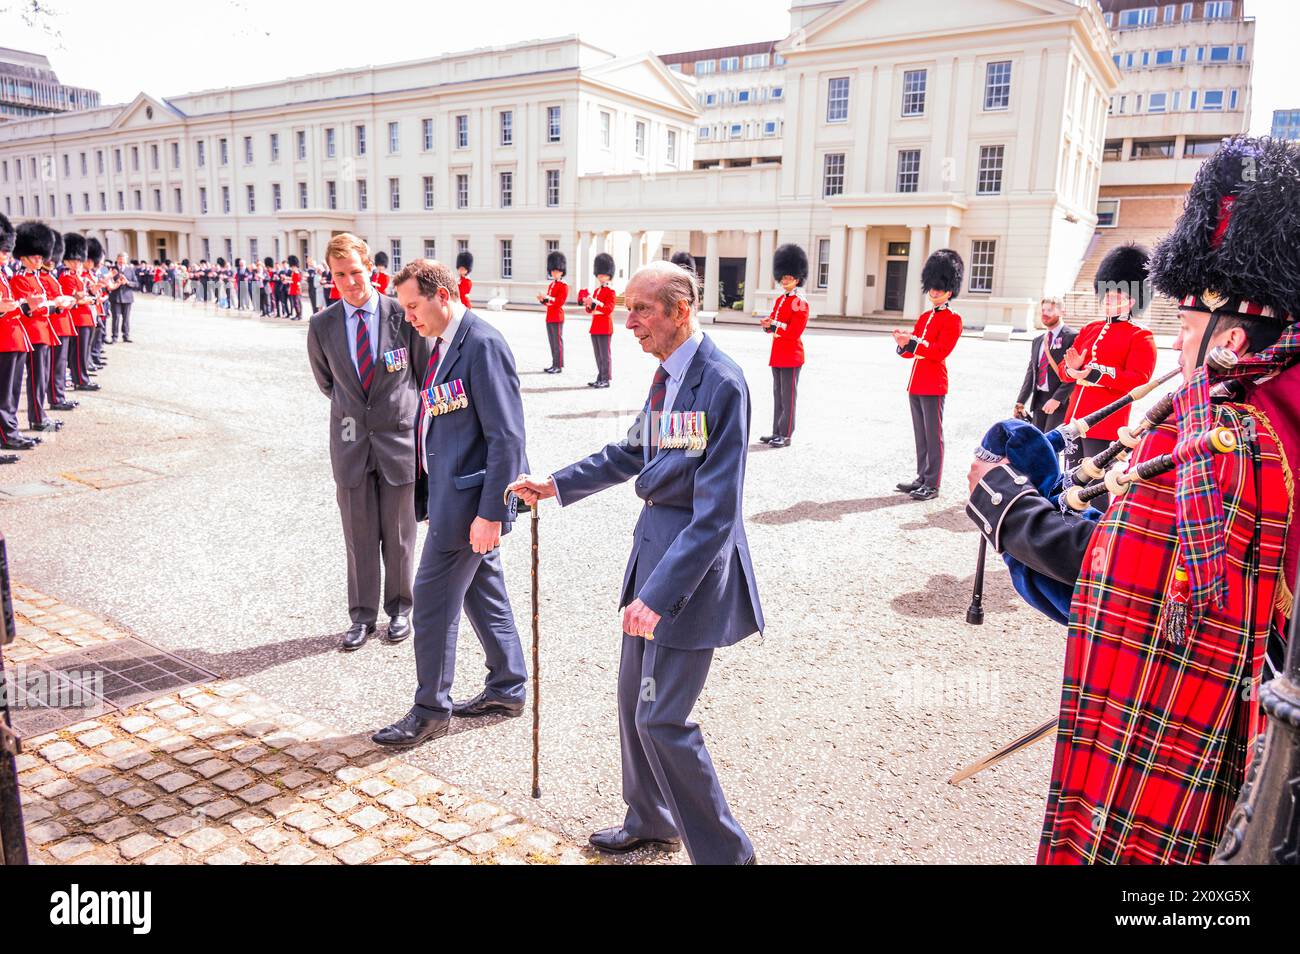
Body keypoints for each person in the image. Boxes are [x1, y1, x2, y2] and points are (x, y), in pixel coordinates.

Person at [965, 135, 1300, 865]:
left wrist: (1005, 506)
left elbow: (1120, 583)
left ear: (1231, 338)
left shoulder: (1225, 434)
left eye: (1185, 329)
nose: (1177, 346)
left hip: (1199, 731)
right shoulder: (1280, 412)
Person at [509, 259, 763, 865]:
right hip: (650, 563)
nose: (628, 322)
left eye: (641, 309)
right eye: (627, 308)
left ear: (681, 310)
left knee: (662, 718)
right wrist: (555, 484)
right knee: (633, 702)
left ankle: (728, 853)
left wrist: (658, 597)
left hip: (689, 578)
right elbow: (631, 452)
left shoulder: (721, 383)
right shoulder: (668, 379)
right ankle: (651, 819)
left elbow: (716, 515)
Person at [371, 258, 531, 747]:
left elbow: (507, 437)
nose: (410, 317)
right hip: (449, 496)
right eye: (404, 309)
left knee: (433, 605)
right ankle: (507, 685)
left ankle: (429, 709)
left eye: (415, 306)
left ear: (444, 295)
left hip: (468, 508)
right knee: (485, 593)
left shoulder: (482, 344)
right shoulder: (439, 344)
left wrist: (489, 514)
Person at [306, 234, 426, 651]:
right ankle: (361, 616)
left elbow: (422, 373)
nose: (349, 282)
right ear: (331, 276)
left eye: (355, 272)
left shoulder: (402, 315)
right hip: (351, 443)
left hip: (398, 442)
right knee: (358, 537)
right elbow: (328, 384)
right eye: (340, 275)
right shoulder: (322, 325)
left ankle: (400, 609)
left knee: (399, 533)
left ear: (371, 270)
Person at [1059, 245, 1158, 510]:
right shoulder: (1091, 329)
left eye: (1118, 295)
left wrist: (1092, 373)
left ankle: (1095, 535)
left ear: (1133, 299)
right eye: (1107, 293)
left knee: (1096, 488)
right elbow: (1064, 371)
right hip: (1074, 419)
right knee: (1069, 480)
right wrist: (1072, 370)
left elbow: (1139, 378)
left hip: (1104, 423)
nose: (1110, 299)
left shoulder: (1140, 336)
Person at [893, 249, 964, 500]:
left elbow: (939, 351)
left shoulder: (953, 320)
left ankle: (932, 484)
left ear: (949, 289)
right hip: (916, 382)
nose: (933, 291)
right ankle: (921, 477)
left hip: (934, 383)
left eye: (939, 287)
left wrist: (912, 344)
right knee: (920, 434)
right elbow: (911, 353)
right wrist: (903, 344)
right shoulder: (924, 317)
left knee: (933, 436)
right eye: (931, 287)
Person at [10, 223, 67, 434]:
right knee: (35, 378)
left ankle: (40, 414)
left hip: (43, 332)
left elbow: (45, 304)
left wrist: (55, 305)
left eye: (40, 257)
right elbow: (32, 310)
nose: (39, 260)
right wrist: (55, 305)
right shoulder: (19, 279)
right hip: (32, 333)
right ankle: (36, 417)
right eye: (35, 256)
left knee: (42, 377)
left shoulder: (37, 279)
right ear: (23, 257)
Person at [761, 243, 810, 448]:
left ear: (797, 279)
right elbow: (775, 322)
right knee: (778, 394)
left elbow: (794, 332)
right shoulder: (781, 300)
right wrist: (767, 325)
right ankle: (776, 431)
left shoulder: (800, 302)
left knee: (788, 397)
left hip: (791, 355)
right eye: (782, 278)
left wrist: (774, 326)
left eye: (788, 279)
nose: (784, 282)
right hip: (778, 354)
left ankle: (786, 434)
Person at [1014, 298, 1076, 432]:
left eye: (1050, 310)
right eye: (1043, 310)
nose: (1044, 313)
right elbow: (1031, 373)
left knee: (1051, 444)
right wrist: (1020, 401)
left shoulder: (1073, 337)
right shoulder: (1038, 340)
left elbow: (1074, 372)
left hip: (1060, 401)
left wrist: (1057, 399)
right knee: (1037, 443)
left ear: (1061, 312)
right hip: (1039, 399)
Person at [0, 214, 34, 458]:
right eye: (2, 251)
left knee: (11, 393)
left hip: (14, 337)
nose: (5, 256)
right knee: (4, 394)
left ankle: (10, 433)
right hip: (3, 339)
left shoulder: (4, 275)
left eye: (6, 251)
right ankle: (7, 435)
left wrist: (24, 304)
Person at [586, 252, 616, 388]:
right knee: (598, 355)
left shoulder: (611, 292)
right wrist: (588, 303)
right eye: (599, 274)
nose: (600, 276)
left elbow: (608, 309)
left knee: (605, 355)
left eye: (603, 274)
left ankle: (606, 379)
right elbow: (590, 310)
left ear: (609, 275)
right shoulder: (597, 291)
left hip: (605, 326)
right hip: (595, 325)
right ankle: (600, 376)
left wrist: (595, 303)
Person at [537, 250, 567, 373]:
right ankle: (554, 364)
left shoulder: (563, 286)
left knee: (557, 342)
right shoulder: (551, 285)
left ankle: (558, 365)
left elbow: (559, 302)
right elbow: (549, 303)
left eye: (557, 271)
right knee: (552, 342)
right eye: (553, 271)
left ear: (562, 272)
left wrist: (547, 298)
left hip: (557, 317)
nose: (555, 273)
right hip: (550, 316)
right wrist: (543, 300)